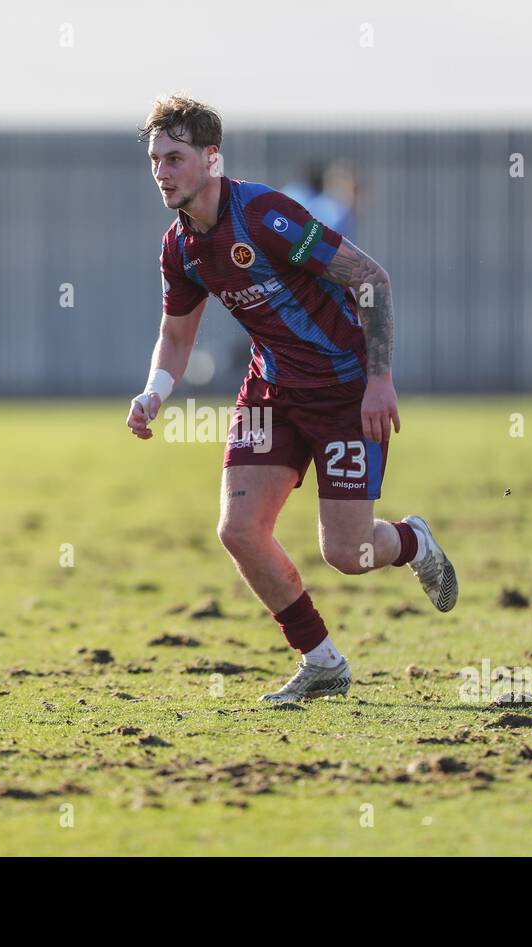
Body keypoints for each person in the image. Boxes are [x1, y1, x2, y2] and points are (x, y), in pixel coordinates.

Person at [126, 95, 458, 703]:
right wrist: (153, 393)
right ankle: (322, 661)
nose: (161, 172)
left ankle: (412, 540)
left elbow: (369, 278)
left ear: (211, 158)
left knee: (349, 553)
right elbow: (176, 338)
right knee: (240, 531)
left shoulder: (266, 215)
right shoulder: (181, 248)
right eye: (154, 160)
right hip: (271, 392)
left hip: (343, 393)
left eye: (174, 158)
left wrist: (380, 380)